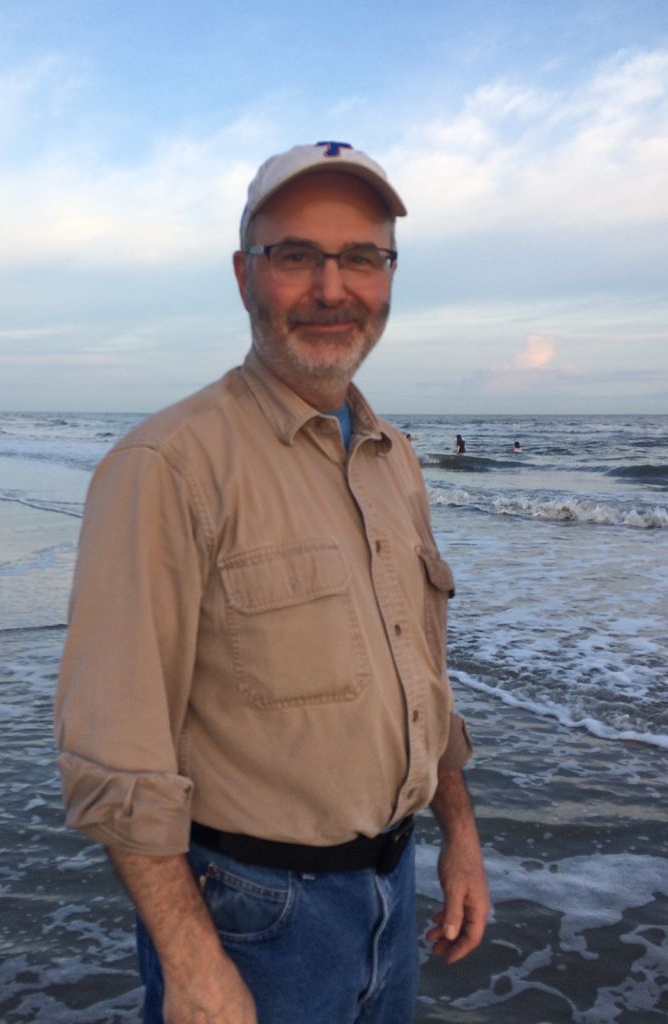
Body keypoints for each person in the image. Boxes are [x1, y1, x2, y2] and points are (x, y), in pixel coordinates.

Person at [55, 141, 489, 1024]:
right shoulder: (167, 466)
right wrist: (191, 965)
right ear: (244, 275)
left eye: (360, 257)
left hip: (394, 890)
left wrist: (460, 837)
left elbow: (423, 678)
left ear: (388, 275)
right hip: (253, 918)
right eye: (295, 256)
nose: (332, 289)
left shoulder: (395, 459)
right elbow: (113, 752)